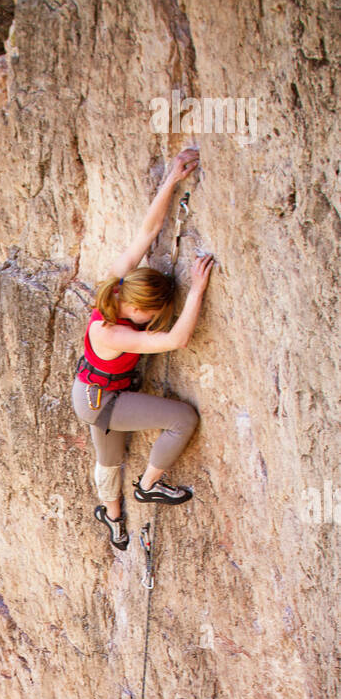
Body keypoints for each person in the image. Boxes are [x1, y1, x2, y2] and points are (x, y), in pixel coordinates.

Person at [72, 147, 214, 550]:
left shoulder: (115, 286)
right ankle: (149, 486)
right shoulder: (113, 333)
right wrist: (197, 291)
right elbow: (175, 340)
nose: (149, 319)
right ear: (134, 306)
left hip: (90, 393)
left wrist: (172, 179)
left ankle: (113, 519)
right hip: (104, 401)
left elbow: (146, 233)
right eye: (147, 314)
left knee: (108, 460)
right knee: (182, 419)